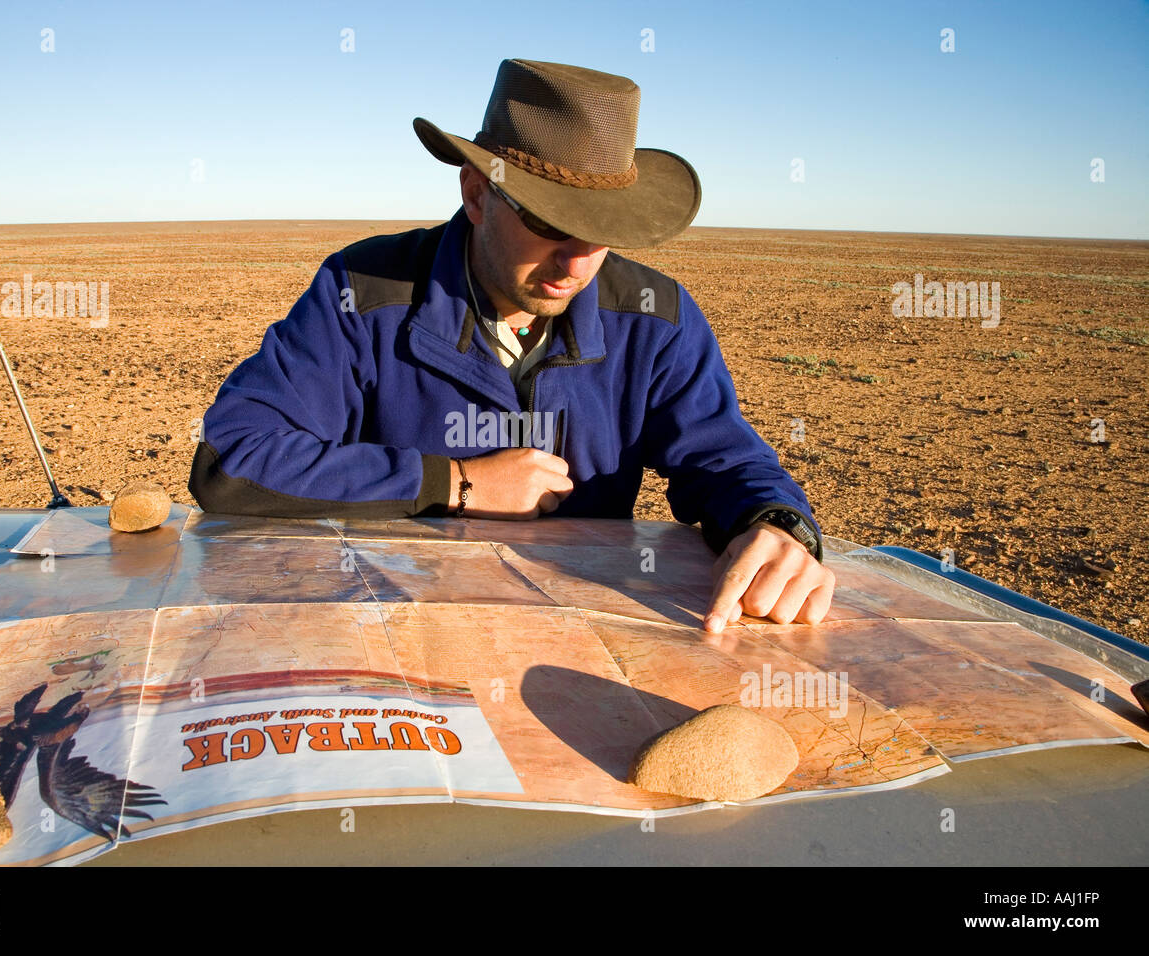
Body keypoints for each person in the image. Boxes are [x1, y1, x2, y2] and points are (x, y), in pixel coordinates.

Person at [189, 58, 835, 634]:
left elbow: (724, 460)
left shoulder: (656, 317)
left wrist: (776, 525)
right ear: (476, 194)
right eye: (551, 222)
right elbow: (238, 459)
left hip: (578, 630)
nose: (578, 262)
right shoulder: (365, 290)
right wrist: (456, 483)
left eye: (603, 230)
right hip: (385, 624)